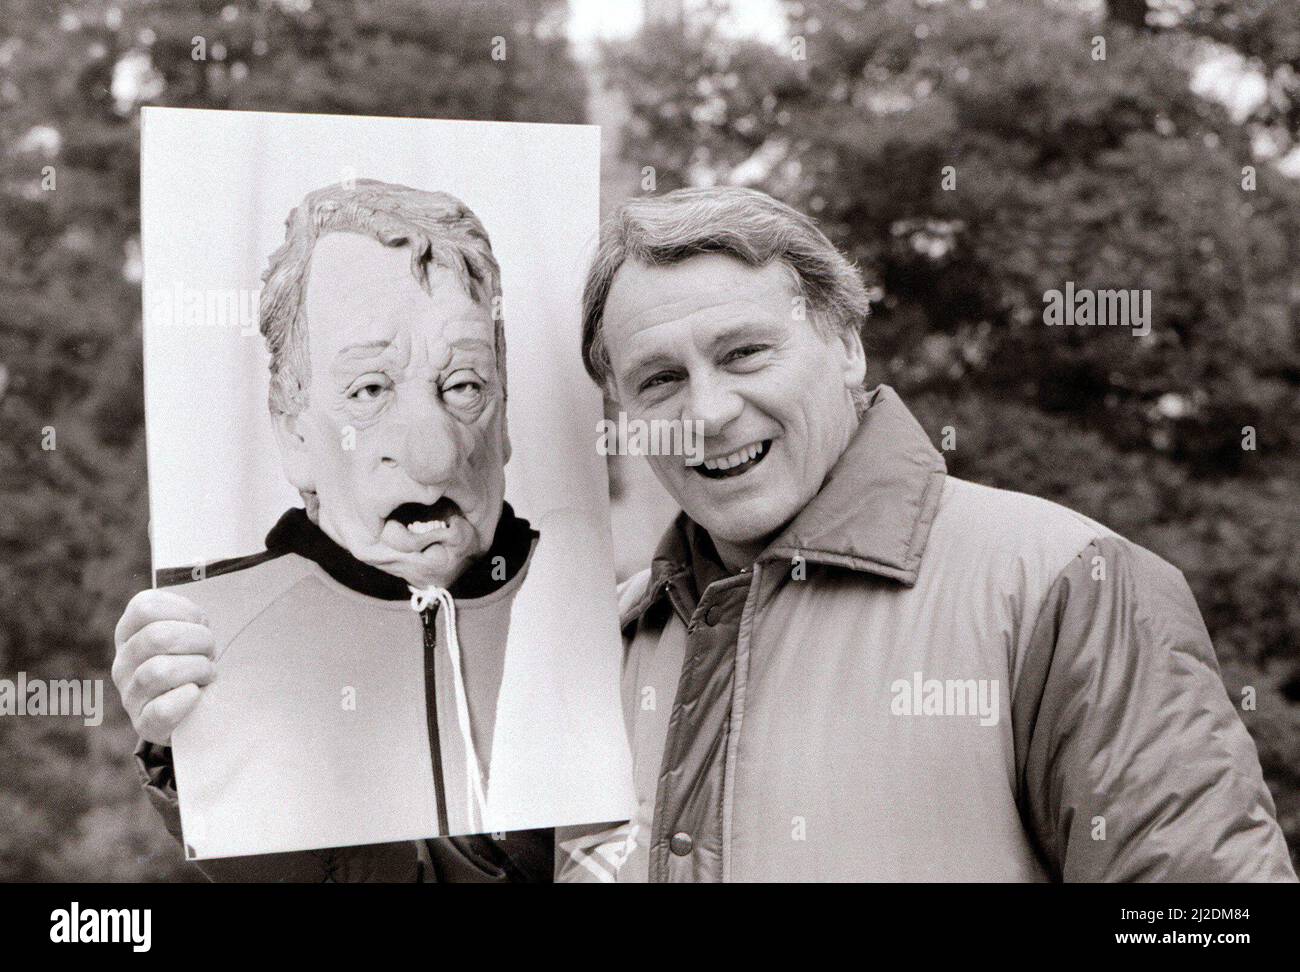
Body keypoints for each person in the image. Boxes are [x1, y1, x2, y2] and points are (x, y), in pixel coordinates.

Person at [556, 185, 1297, 882]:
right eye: (659, 380)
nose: (708, 412)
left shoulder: (1069, 585)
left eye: (744, 353)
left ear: (847, 346)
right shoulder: (593, 651)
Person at [115, 180, 550, 881]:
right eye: (370, 390)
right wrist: (187, 754)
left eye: (465, 384)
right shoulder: (225, 636)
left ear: (504, 414)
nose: (433, 451)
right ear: (293, 431)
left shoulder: (593, 618)